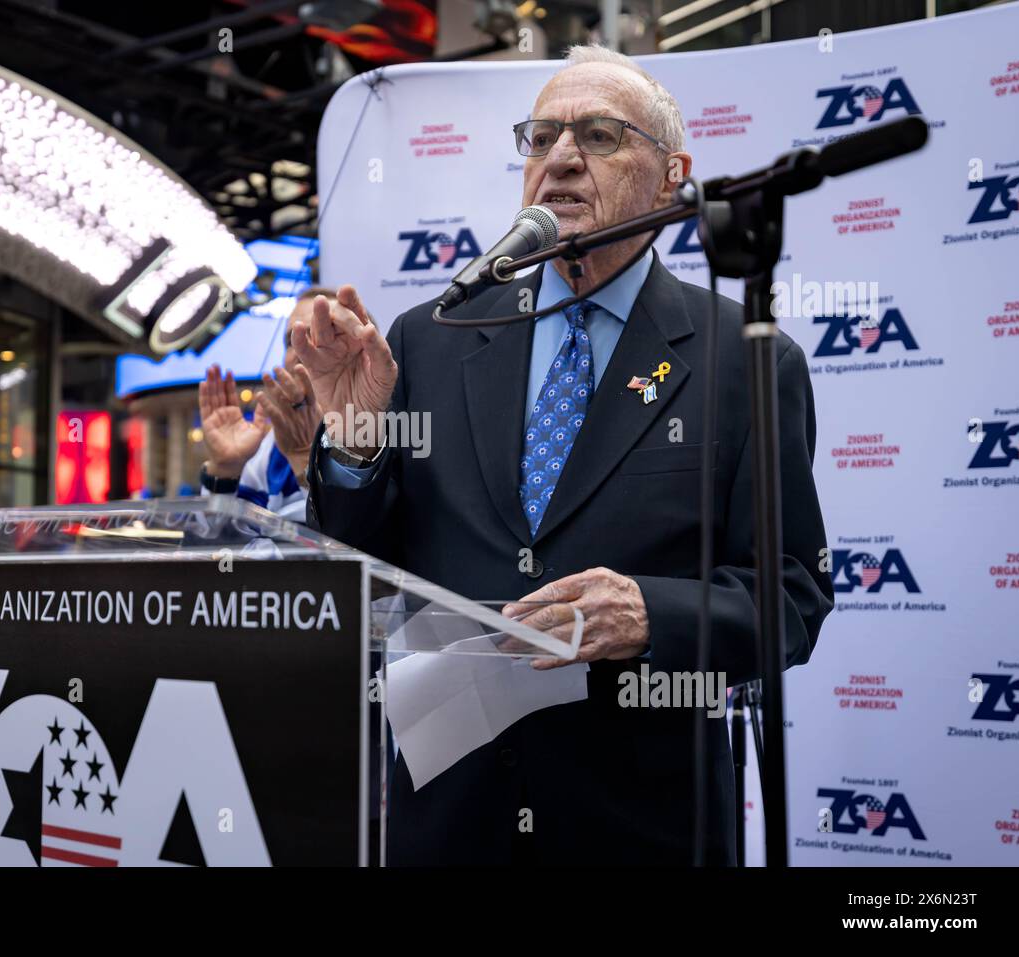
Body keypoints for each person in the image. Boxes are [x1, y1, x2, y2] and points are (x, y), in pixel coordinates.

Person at [295, 45, 833, 865]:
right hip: (452, 821)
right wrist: (358, 446)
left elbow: (791, 596)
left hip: (642, 827)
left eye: (600, 135)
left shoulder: (745, 358)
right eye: (540, 137)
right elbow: (362, 573)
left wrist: (650, 613)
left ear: (671, 176)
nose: (561, 160)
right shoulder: (431, 341)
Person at [197, 287, 334, 522]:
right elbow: (217, 542)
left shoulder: (382, 435)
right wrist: (225, 470)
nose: (300, 350)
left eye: (319, 334)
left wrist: (304, 457)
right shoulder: (271, 447)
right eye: (292, 340)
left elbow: (359, 539)